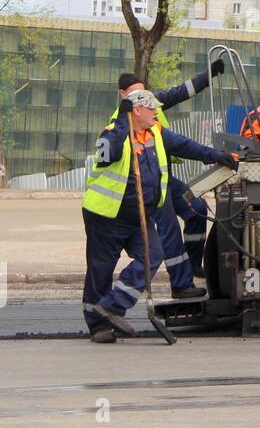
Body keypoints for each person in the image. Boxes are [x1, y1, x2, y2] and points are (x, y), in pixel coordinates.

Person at [82, 89, 236, 343]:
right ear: (137, 111)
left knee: (153, 255)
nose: (156, 112)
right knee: (101, 270)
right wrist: (123, 125)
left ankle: (113, 306)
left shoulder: (155, 132)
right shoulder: (112, 134)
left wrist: (216, 156)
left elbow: (185, 146)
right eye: (151, 108)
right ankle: (97, 325)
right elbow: (107, 155)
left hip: (137, 217)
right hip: (106, 217)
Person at [116, 58, 225, 294]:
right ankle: (181, 284)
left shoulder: (151, 108)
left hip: (165, 179)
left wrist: (208, 75)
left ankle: (193, 265)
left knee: (197, 209)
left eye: (144, 93)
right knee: (170, 231)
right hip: (147, 184)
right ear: (123, 95)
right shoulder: (122, 125)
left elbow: (182, 92)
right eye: (135, 95)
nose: (143, 99)